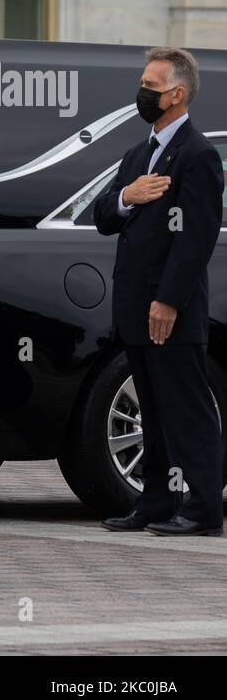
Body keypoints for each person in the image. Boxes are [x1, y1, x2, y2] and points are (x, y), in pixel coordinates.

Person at [95, 46, 225, 536]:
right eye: (142, 84)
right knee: (152, 410)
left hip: (171, 310)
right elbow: (103, 215)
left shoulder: (198, 155)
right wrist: (128, 196)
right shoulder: (137, 156)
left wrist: (168, 300)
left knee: (187, 410)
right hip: (133, 307)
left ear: (178, 93)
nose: (142, 93)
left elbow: (196, 239)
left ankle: (203, 509)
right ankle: (155, 503)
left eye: (151, 86)